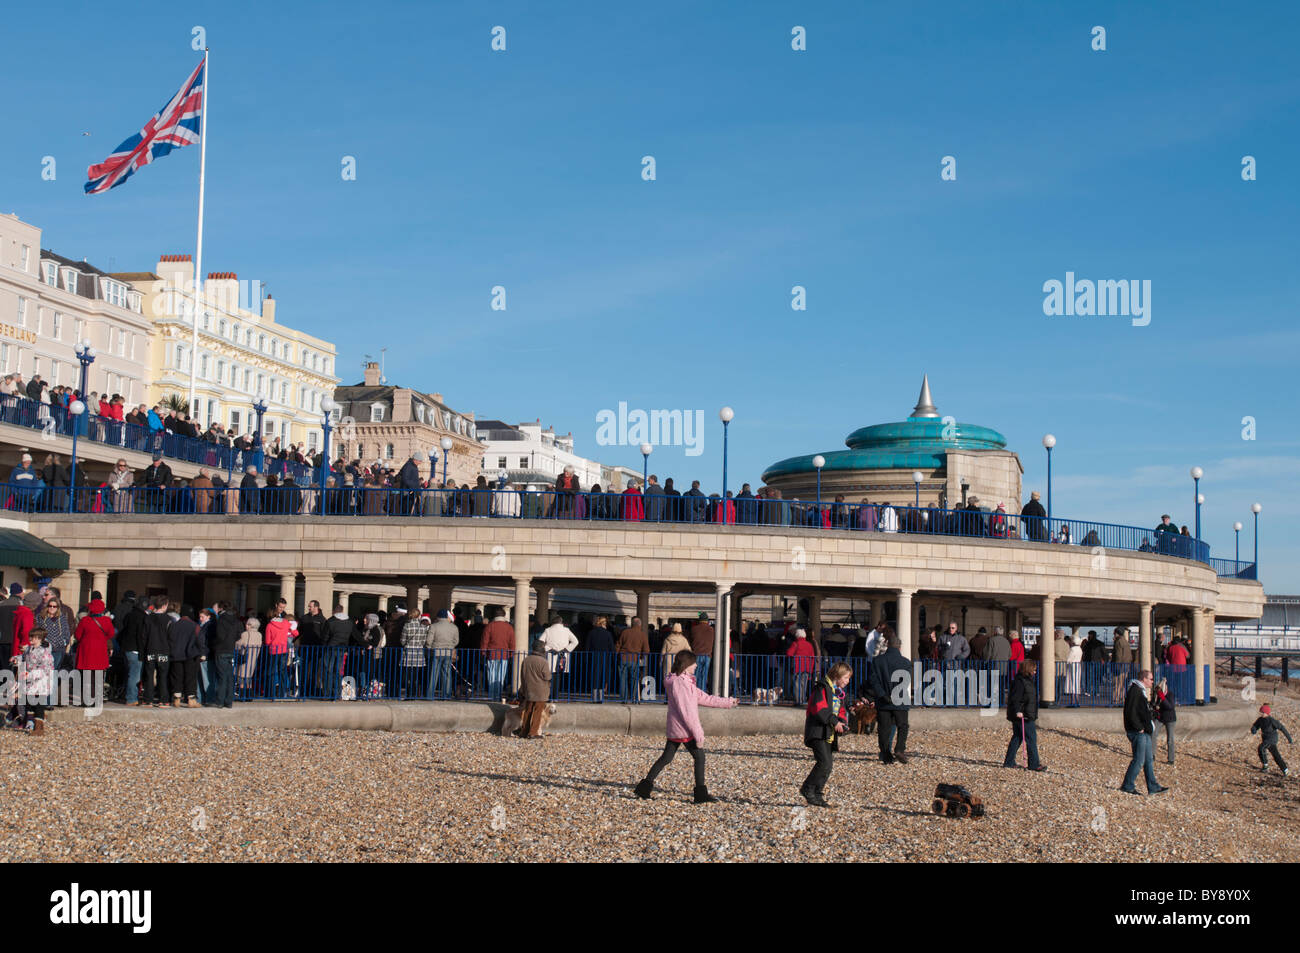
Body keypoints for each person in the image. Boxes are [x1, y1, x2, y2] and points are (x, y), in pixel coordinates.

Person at [633, 649, 737, 803]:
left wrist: (728, 702)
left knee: (666, 758)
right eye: (693, 663)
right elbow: (687, 712)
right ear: (687, 664)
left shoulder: (684, 681)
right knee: (699, 756)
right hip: (683, 729)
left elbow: (704, 698)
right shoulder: (680, 683)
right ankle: (700, 794)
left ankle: (643, 788)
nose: (696, 666)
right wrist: (698, 733)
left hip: (677, 728)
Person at [800, 661, 852, 808]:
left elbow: (840, 710)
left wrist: (842, 721)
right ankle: (808, 789)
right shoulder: (822, 688)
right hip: (817, 731)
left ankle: (817, 793)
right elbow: (819, 709)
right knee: (824, 763)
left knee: (827, 765)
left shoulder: (838, 693)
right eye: (846, 678)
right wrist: (834, 721)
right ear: (838, 675)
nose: (847, 682)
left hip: (828, 732)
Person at [864, 629, 909, 764]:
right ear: (900, 647)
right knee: (903, 725)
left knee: (884, 728)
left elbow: (873, 680)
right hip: (900, 698)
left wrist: (882, 694)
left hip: (883, 700)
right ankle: (900, 749)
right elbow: (905, 681)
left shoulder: (878, 661)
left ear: (887, 645)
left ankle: (885, 754)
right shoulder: (906, 663)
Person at [1120, 670, 1167, 795]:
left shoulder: (1140, 691)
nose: (1152, 681)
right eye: (1150, 679)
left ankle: (1153, 786)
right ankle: (1127, 785)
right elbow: (1130, 711)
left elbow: (1142, 710)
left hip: (1144, 731)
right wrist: (1138, 727)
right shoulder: (1135, 691)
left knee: (1148, 760)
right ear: (1144, 679)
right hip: (1138, 732)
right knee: (1139, 760)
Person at [1003, 660, 1046, 771]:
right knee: (1031, 738)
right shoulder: (1020, 682)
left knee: (1017, 738)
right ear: (1028, 669)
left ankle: (1009, 762)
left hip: (1025, 714)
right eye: (1034, 670)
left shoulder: (1025, 680)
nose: (1035, 672)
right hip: (1023, 715)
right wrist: (1018, 711)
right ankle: (1034, 764)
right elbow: (1015, 698)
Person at [72, 599, 114, 706]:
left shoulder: (85, 620)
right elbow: (111, 634)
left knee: (86, 677)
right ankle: (97, 700)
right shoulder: (107, 621)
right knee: (98, 677)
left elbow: (78, 635)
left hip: (87, 651)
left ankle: (87, 700)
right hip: (100, 651)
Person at [15, 627, 53, 734]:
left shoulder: (44, 652)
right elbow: (23, 657)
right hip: (30, 682)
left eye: (33, 637)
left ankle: (39, 728)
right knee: (30, 702)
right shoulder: (28, 649)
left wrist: (30, 674)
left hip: (41, 682)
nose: (30, 638)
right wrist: (15, 659)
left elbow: (46, 669)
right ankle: (30, 724)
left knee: (39, 705)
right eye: (30, 636)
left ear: (39, 638)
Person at [166, 606, 203, 707]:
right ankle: (191, 700)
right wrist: (202, 652)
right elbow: (200, 641)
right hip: (191, 655)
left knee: (177, 677)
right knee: (190, 677)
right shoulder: (195, 626)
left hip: (176, 655)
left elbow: (169, 640)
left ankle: (176, 699)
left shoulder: (173, 625)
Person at [516, 641, 552, 738]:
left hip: (529, 689)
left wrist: (523, 688)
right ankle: (533, 733)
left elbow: (522, 676)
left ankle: (524, 732)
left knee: (528, 711)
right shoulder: (543, 661)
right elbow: (547, 677)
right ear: (541, 649)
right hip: (541, 691)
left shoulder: (526, 660)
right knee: (537, 712)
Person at [480, 611, 514, 701]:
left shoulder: (490, 626)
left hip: (491, 654)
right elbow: (512, 642)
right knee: (501, 676)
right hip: (504, 655)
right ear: (504, 615)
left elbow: (485, 641)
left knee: (491, 675)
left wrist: (483, 653)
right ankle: (498, 695)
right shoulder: (509, 627)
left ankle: (492, 695)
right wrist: (511, 654)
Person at [615, 616, 649, 702]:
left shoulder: (625, 632)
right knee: (634, 679)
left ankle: (624, 698)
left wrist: (617, 654)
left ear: (632, 624)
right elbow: (646, 650)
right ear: (640, 625)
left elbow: (618, 645)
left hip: (623, 657)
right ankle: (633, 697)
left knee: (623, 678)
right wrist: (642, 656)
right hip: (635, 659)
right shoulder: (642, 634)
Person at [428, 610, 461, 698]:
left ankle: (430, 694)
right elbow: (456, 641)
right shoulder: (454, 627)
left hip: (436, 652)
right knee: (447, 674)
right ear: (447, 617)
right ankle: (446, 694)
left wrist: (429, 648)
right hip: (448, 652)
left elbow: (429, 641)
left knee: (434, 674)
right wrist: (450, 646)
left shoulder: (434, 626)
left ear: (438, 617)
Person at [1251, 704, 1292, 775]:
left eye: (1263, 712)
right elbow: (1255, 726)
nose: (1261, 713)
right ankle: (1285, 770)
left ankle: (1265, 766)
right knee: (1276, 756)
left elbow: (1282, 728)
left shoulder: (1272, 720)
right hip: (1266, 739)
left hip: (1272, 739)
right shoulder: (1260, 720)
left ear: (1267, 713)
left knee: (1261, 748)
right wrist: (1253, 729)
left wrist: (1289, 738)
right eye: (1261, 712)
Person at [785, 627, 816, 704]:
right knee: (803, 685)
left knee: (797, 684)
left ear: (797, 636)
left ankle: (798, 701)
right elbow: (812, 657)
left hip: (797, 667)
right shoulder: (809, 645)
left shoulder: (795, 644)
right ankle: (802, 700)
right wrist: (811, 669)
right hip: (807, 668)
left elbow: (789, 653)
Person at [1153, 677, 1177, 765]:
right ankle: (1152, 755)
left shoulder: (1170, 694)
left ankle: (1171, 759)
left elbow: (1170, 706)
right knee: (1153, 733)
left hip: (1170, 718)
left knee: (1170, 739)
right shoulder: (1156, 695)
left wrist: (1162, 698)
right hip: (1160, 717)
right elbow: (1154, 704)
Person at [689, 612, 714, 691]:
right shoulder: (711, 630)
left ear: (699, 620)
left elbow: (690, 641)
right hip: (707, 655)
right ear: (707, 620)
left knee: (695, 674)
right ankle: (702, 692)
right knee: (704, 675)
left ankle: (695, 691)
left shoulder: (694, 629)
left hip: (696, 654)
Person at [1064, 635, 1083, 706]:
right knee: (1076, 683)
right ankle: (1077, 701)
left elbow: (1069, 659)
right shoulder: (1080, 649)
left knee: (1072, 683)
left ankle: (1073, 702)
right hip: (1078, 666)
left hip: (1072, 667)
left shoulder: (1072, 649)